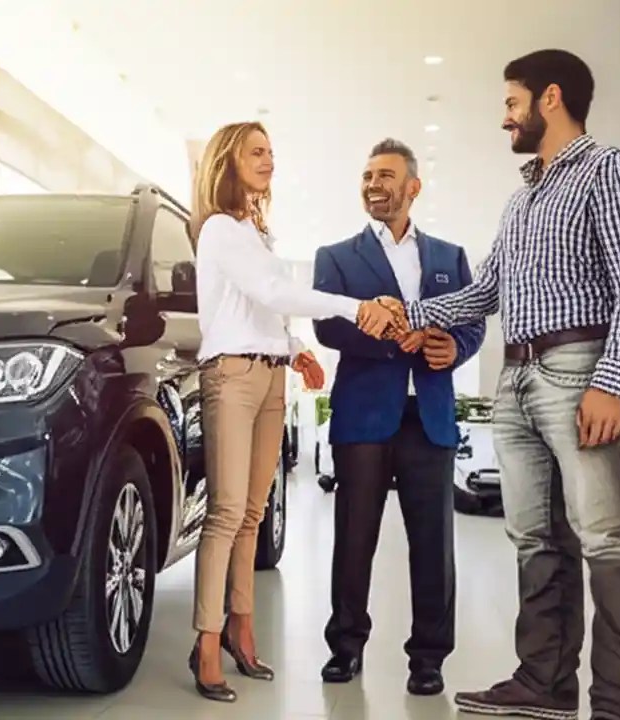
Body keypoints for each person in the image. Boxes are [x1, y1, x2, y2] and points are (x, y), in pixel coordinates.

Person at [394, 50, 620, 720]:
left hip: (581, 374)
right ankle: (545, 684)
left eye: (511, 102)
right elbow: (485, 289)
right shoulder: (522, 198)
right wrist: (409, 316)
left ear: (550, 97)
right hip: (515, 380)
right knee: (536, 540)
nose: (504, 117)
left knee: (611, 539)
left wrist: (612, 379)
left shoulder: (612, 169)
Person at [188, 121, 400, 702]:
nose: (269, 162)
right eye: (258, 153)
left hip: (269, 375)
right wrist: (357, 308)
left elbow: (266, 311)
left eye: (272, 153)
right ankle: (206, 642)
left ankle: (242, 629)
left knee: (253, 515)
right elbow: (274, 295)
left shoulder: (257, 234)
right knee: (227, 514)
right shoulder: (220, 230)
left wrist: (297, 349)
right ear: (228, 161)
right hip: (231, 376)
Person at [313, 138, 485, 696]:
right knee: (354, 536)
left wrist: (454, 348)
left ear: (413, 185)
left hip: (429, 414)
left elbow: (473, 318)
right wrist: (393, 338)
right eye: (366, 175)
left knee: (433, 542)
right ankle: (345, 646)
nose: (373, 184)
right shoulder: (335, 257)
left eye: (385, 175)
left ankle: (429, 658)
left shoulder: (448, 257)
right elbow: (327, 327)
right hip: (364, 415)